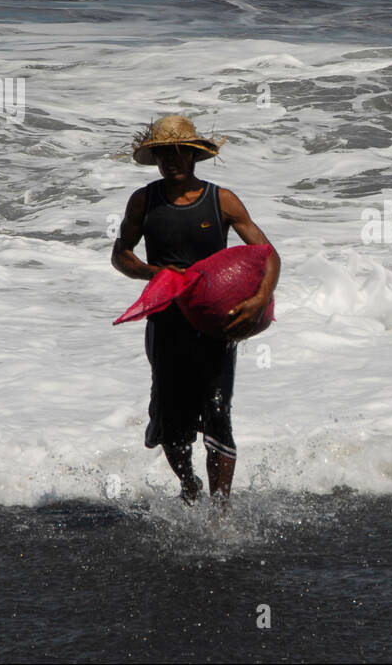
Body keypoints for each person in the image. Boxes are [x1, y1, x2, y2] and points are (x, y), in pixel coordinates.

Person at [111, 115, 280, 503]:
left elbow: (268, 254)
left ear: (193, 155)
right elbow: (120, 254)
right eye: (162, 155)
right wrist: (152, 272)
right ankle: (189, 486)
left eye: (178, 153)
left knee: (219, 413)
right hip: (167, 323)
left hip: (215, 325)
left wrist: (259, 298)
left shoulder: (221, 200)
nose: (171, 161)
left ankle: (220, 511)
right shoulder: (144, 200)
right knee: (174, 427)